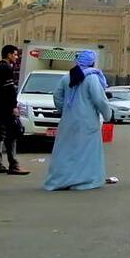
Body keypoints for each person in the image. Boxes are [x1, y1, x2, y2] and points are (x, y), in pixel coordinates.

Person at [44, 50, 112, 191]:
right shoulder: (92, 78)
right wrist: (107, 115)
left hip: (68, 121)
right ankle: (84, 181)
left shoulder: (67, 77)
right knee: (86, 152)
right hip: (87, 122)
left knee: (66, 151)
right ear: (92, 62)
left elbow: (57, 96)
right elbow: (100, 100)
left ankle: (60, 180)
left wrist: (66, 110)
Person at [0, 44, 29, 175]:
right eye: (15, 55)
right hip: (6, 107)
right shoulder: (6, 69)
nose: (16, 57)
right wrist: (13, 106)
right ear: (9, 55)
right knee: (12, 135)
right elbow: (9, 91)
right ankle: (13, 164)